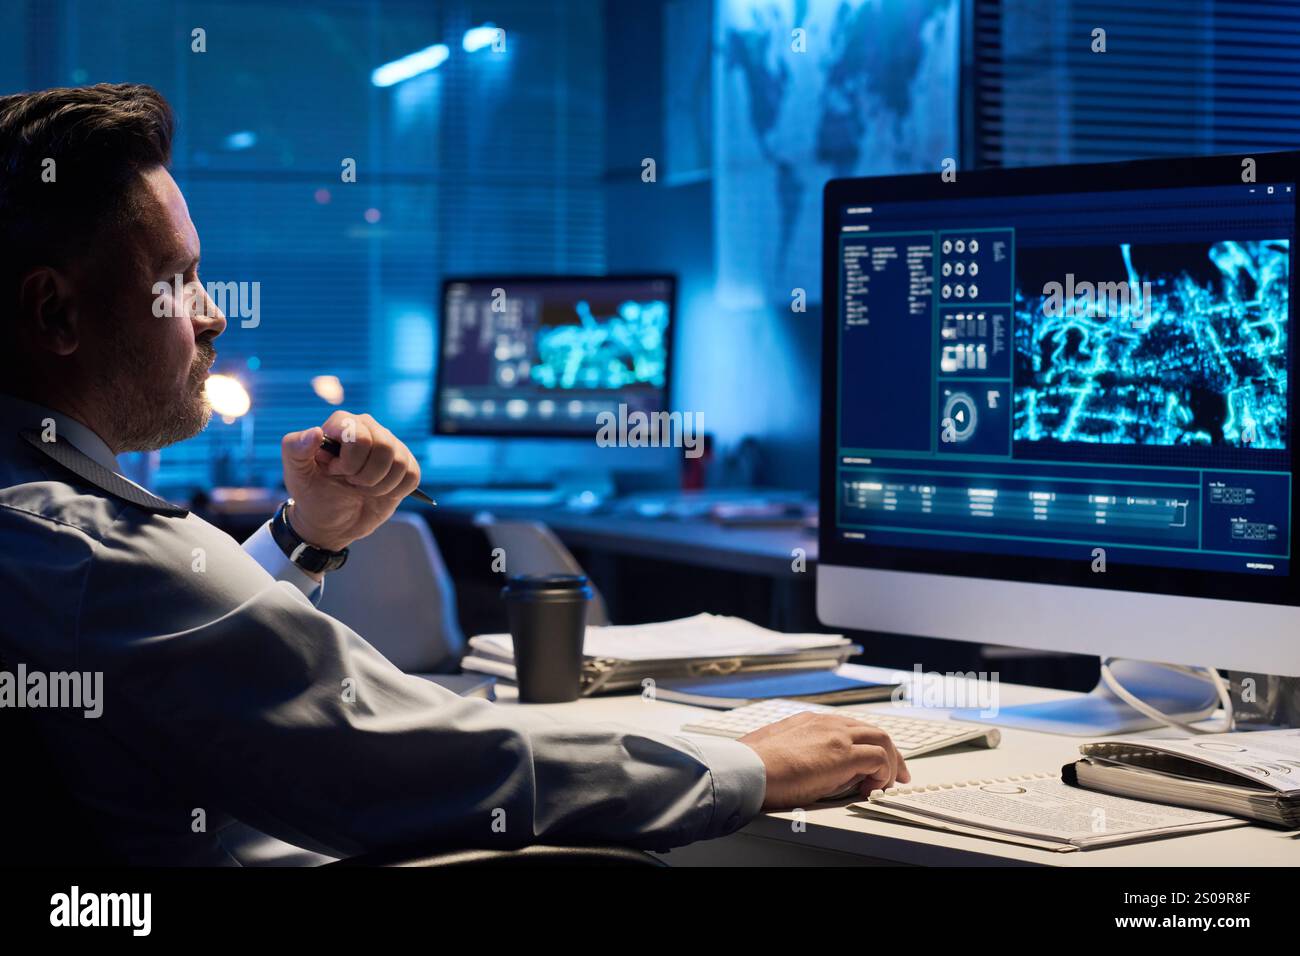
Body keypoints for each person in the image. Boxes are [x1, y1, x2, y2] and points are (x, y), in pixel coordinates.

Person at [0, 83, 908, 866]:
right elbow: (406, 760)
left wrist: (302, 541)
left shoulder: (48, 530)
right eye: (180, 277)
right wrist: (753, 765)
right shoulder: (98, 555)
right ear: (56, 312)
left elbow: (189, 674)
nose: (212, 315)